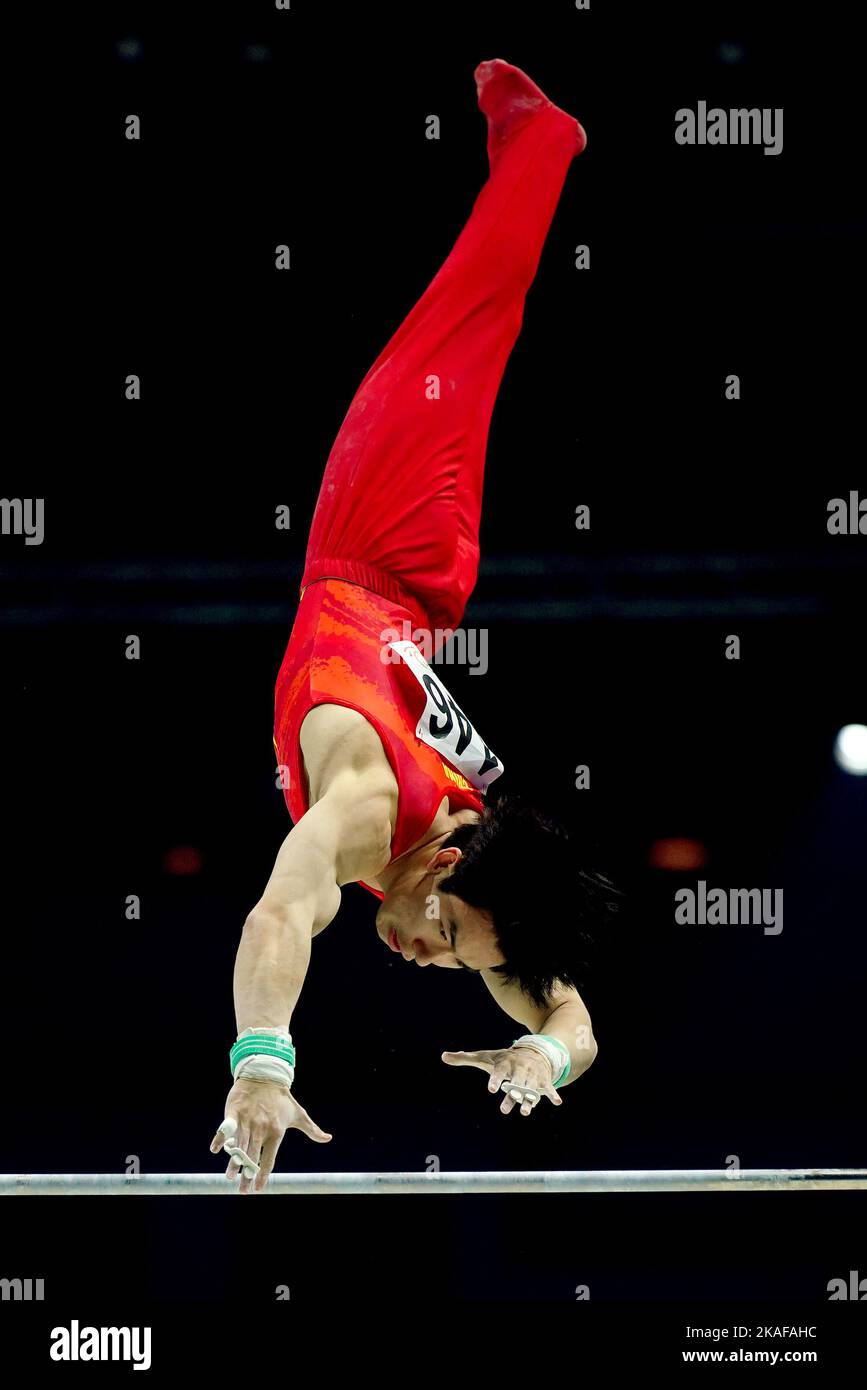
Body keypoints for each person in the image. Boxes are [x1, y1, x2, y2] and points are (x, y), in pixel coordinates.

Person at [211, 59, 615, 1194]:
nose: (422, 951)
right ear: (441, 858)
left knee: (476, 325)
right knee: (469, 315)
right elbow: (279, 914)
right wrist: (260, 1064)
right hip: (382, 536)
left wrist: (545, 1047)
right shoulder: (373, 811)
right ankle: (542, 140)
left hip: (423, 586)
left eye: (451, 956)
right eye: (446, 934)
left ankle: (535, 148)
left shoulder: (480, 871)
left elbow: (574, 1012)